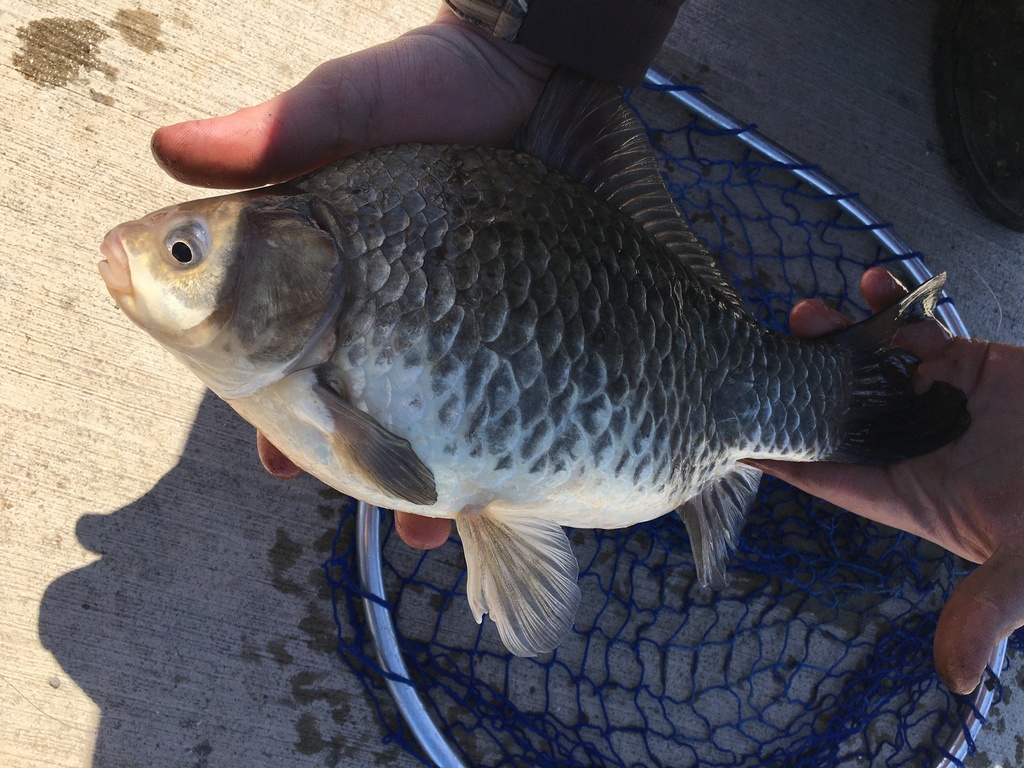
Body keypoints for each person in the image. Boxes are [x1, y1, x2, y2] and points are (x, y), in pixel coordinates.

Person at [150, 1, 1024, 696]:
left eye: (185, 253)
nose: (159, 264)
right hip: (653, 404)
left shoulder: (312, 342)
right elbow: (410, 478)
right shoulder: (305, 340)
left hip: (669, 403)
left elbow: (404, 474)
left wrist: (523, 46)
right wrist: (524, 41)